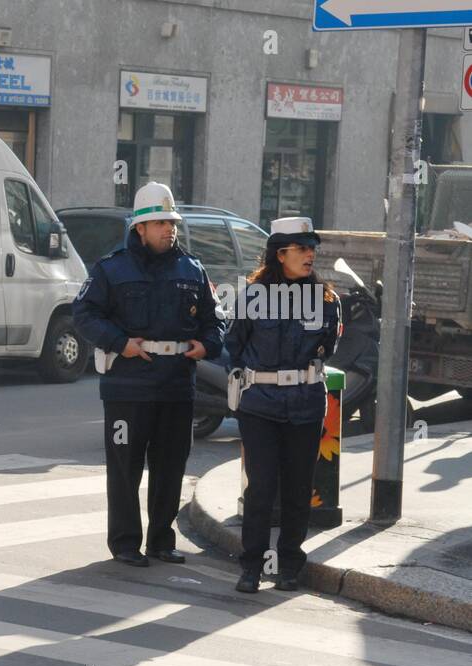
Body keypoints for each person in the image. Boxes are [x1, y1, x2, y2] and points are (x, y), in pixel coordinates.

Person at [73, 182, 224, 566]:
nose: (168, 229)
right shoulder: (112, 268)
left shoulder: (192, 268)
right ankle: (125, 544)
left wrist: (208, 344)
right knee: (125, 468)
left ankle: (161, 540)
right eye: (159, 222)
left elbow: (215, 318)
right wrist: (119, 342)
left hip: (176, 385)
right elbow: (85, 314)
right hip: (128, 386)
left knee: (170, 466)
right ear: (139, 227)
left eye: (171, 222)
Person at [225, 217, 339, 593]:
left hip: (305, 405)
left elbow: (328, 349)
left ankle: (290, 565)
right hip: (260, 406)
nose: (310, 255)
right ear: (281, 253)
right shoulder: (252, 296)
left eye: (312, 248)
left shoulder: (326, 299)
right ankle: (251, 567)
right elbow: (234, 346)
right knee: (260, 488)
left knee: (296, 488)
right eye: (302, 248)